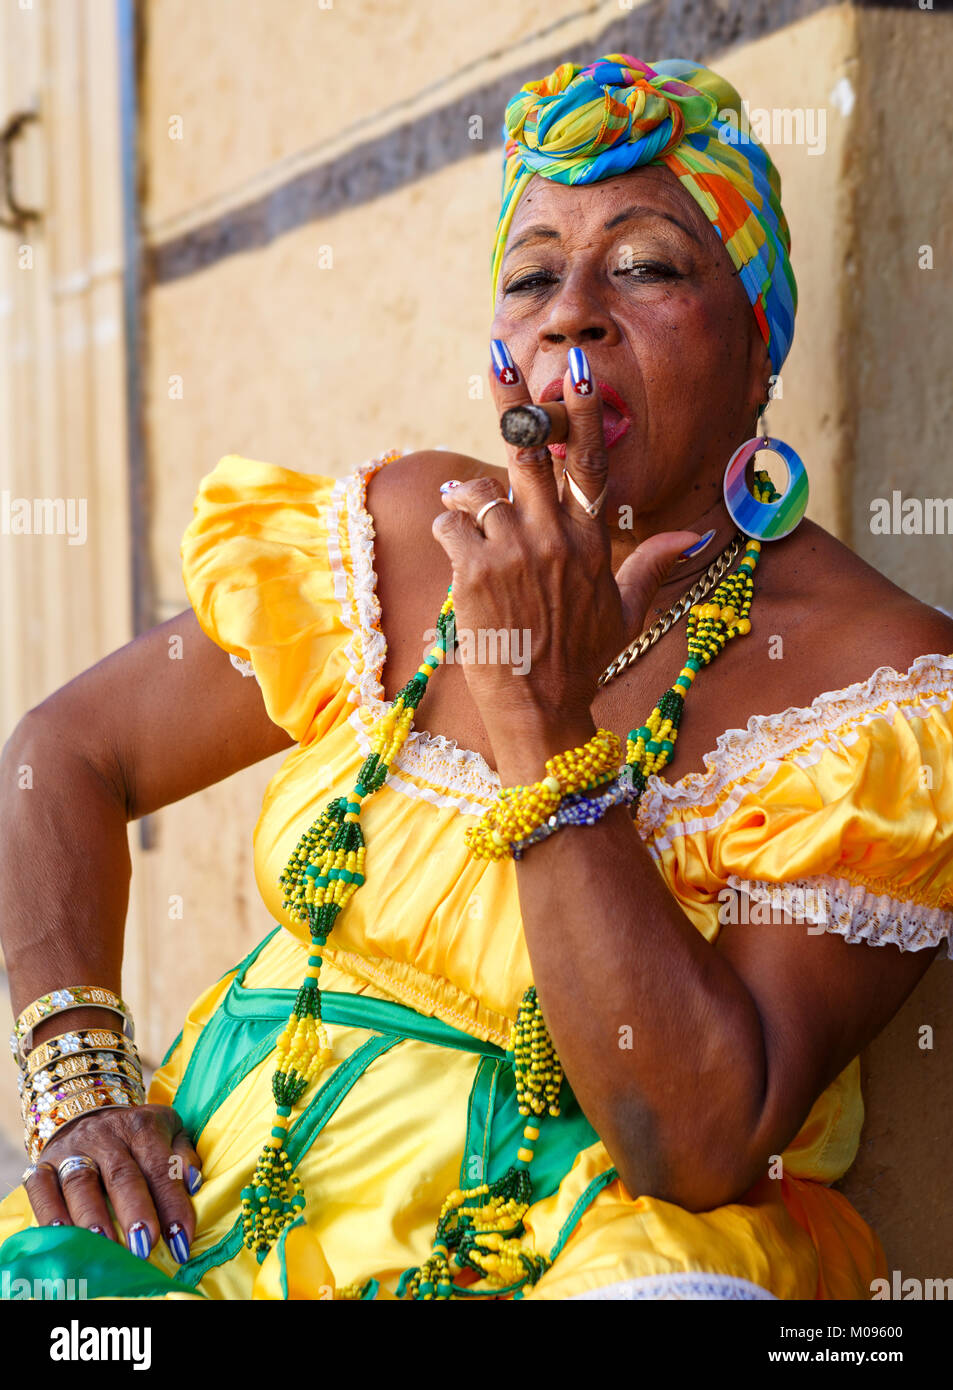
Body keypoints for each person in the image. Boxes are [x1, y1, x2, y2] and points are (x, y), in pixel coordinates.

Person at [1, 53, 951, 1302]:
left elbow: (699, 1138)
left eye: (647, 265)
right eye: (531, 275)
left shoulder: (874, 682)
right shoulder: (406, 533)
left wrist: (540, 720)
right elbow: (60, 752)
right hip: (219, 1203)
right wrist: (82, 1087)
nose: (571, 312)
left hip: (587, 1244)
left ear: (757, 336)